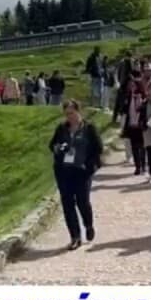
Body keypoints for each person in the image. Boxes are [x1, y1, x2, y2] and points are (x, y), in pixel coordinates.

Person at [49, 99, 102, 250]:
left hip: (82, 171)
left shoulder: (89, 128)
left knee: (82, 201)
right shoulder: (61, 128)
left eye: (72, 113)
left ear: (79, 112)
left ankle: (88, 224)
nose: (69, 117)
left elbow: (98, 147)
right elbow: (52, 145)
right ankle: (75, 236)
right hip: (64, 171)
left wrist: (89, 164)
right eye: (67, 114)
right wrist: (57, 148)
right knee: (67, 204)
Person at [122, 81, 146, 175]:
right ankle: (138, 167)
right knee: (134, 147)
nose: (132, 87)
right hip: (131, 126)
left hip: (140, 126)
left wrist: (139, 99)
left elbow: (141, 110)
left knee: (142, 147)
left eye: (134, 86)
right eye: (131, 86)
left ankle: (143, 165)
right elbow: (124, 110)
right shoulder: (128, 97)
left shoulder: (142, 97)